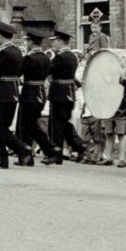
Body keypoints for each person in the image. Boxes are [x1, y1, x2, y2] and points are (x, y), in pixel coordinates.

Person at [0, 21, 32, 169]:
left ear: (1, 36)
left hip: (2, 93)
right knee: (3, 127)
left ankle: (17, 151)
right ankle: (2, 159)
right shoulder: (16, 51)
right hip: (13, 92)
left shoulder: (4, 52)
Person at [16, 31, 59, 166]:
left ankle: (45, 150)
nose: (25, 44)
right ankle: (42, 151)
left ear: (30, 42)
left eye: (26, 41)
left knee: (25, 126)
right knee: (31, 125)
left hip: (29, 94)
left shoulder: (29, 58)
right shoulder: (46, 58)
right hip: (41, 94)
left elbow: (18, 72)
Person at [45, 29, 85, 164]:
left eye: (54, 41)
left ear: (60, 41)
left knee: (56, 125)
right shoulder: (73, 56)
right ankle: (79, 146)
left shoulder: (60, 57)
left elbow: (48, 70)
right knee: (64, 123)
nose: (53, 45)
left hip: (59, 93)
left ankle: (56, 153)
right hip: (69, 93)